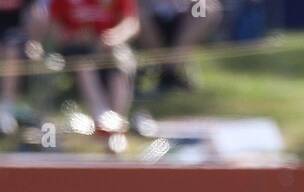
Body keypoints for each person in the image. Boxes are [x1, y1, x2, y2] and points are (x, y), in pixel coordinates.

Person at [46, 0, 140, 134]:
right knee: (83, 65)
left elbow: (131, 23)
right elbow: (55, 29)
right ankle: (102, 117)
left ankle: (117, 122)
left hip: (110, 49)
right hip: (77, 52)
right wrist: (74, 37)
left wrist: (115, 36)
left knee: (122, 64)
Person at [138, 0, 223, 92]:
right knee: (136, 11)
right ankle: (168, 72)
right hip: (151, 16)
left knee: (206, 8)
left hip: (183, 18)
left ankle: (168, 70)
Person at [0, 0, 37, 132]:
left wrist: (35, 42)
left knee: (13, 53)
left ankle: (6, 108)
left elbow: (33, 13)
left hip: (15, 31)